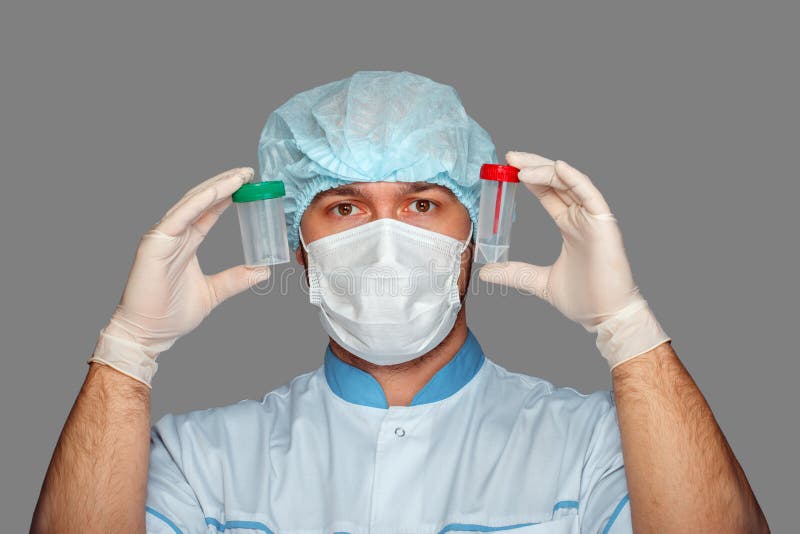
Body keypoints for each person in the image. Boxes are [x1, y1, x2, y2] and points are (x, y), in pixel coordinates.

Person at [31, 71, 768, 533]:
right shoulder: (202, 461)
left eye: (421, 203)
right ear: (298, 245)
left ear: (476, 235)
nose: (386, 242)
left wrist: (627, 329)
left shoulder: (594, 446)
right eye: (345, 209)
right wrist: (129, 350)